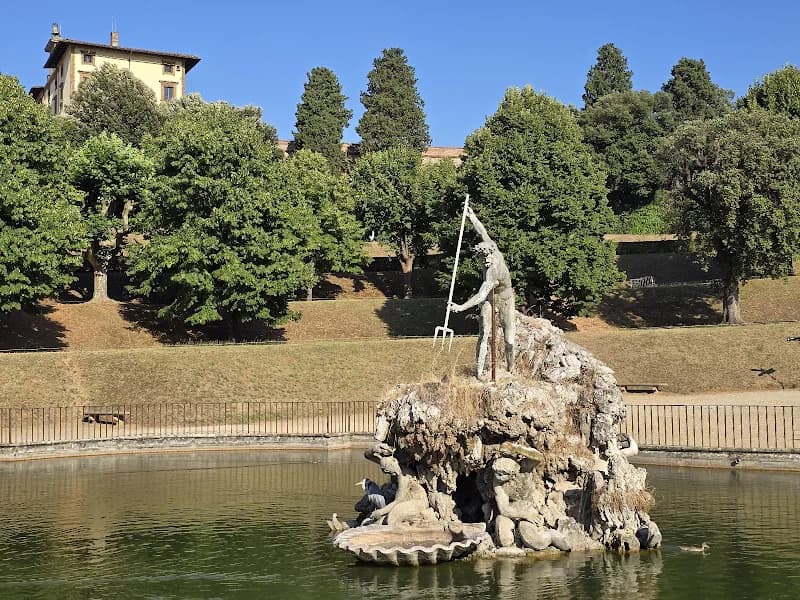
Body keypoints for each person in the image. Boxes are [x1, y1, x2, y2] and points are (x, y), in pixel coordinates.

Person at [449, 206, 515, 379]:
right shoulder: (489, 248)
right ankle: (479, 372)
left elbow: (480, 295)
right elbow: (482, 232)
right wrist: (472, 217)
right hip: (490, 300)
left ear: (492, 254)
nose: (484, 262)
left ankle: (511, 367)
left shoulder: (494, 269)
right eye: (481, 259)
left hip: (505, 299)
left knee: (509, 340)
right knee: (484, 333)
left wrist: (461, 307)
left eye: (486, 258)